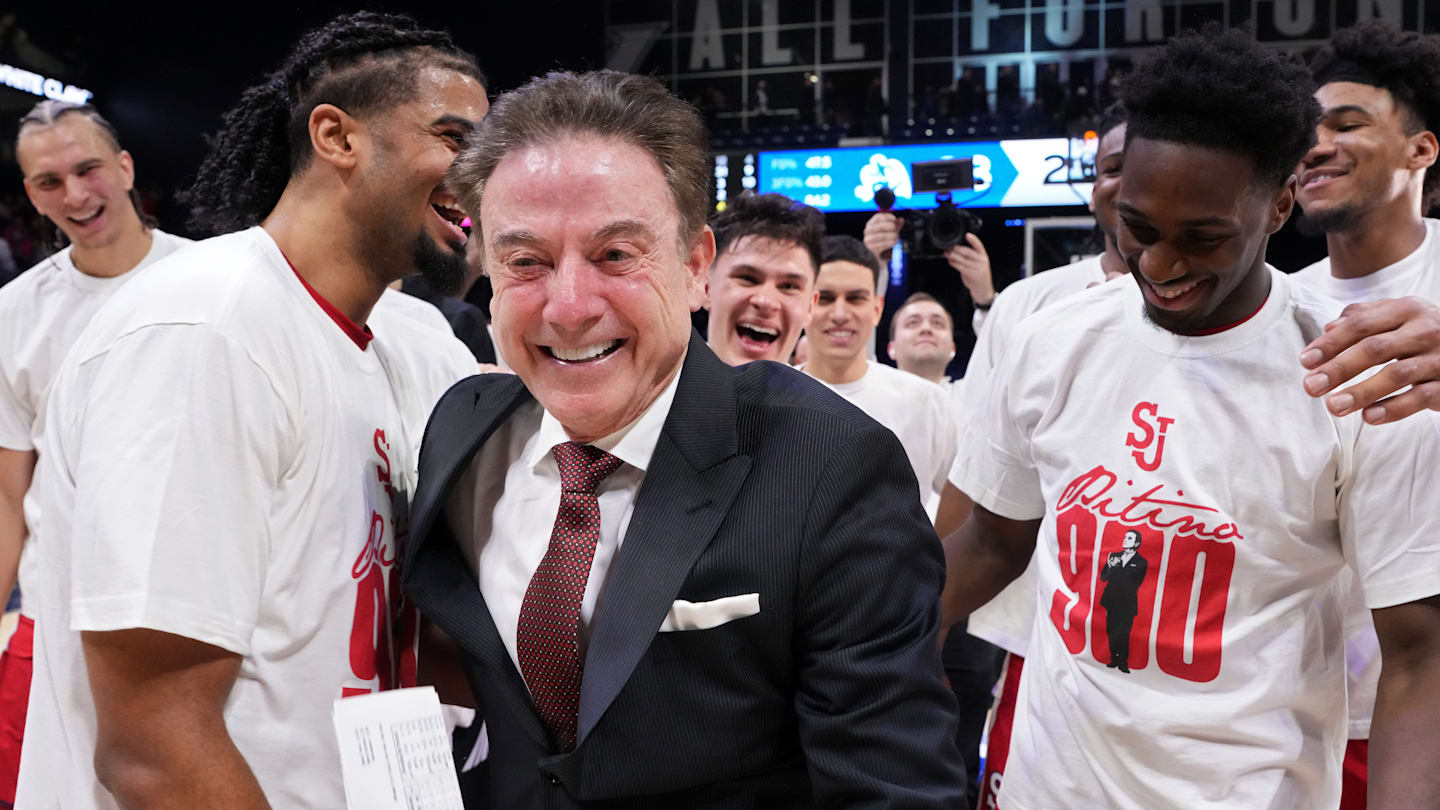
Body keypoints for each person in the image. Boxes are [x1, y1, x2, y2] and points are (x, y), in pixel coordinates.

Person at [404, 69, 966, 808]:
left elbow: (892, 788)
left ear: (696, 266)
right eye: (527, 261)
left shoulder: (830, 466)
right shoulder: (464, 429)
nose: (568, 307)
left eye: (614, 255)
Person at [942, 27, 1440, 808]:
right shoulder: (1050, 337)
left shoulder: (1357, 374)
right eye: (1137, 227)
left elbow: (1418, 656)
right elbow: (990, 541)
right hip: (1046, 787)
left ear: (1279, 206)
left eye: (1203, 238)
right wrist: (860, 647)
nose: (1160, 264)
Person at [17, 13, 487, 808]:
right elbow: (154, 745)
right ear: (337, 136)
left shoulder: (411, 343)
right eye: (452, 137)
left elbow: (397, 632)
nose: (481, 173)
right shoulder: (200, 334)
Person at [939, 100, 1130, 810]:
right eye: (1112, 167)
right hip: (1036, 635)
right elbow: (977, 483)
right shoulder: (1032, 307)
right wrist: (919, 624)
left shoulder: (1287, 321)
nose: (1128, 184)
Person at [0, 99, 192, 806]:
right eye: (49, 182)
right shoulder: (16, 313)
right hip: (55, 618)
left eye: (87, 170)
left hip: (186, 612)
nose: (76, 195)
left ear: (125, 167)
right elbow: (7, 492)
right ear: (29, 195)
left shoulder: (218, 281)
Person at [1291, 20, 1440, 809]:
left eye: (1346, 124)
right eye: (1307, 131)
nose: (1316, 144)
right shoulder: (1277, 310)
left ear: (1422, 149)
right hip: (1302, 714)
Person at [800, 235, 957, 519]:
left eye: (855, 298)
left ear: (876, 309)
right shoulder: (771, 398)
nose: (840, 313)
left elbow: (966, 506)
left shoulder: (929, 402)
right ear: (806, 304)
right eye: (826, 298)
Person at [704, 192, 823, 366]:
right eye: (747, 278)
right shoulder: (655, 391)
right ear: (706, 285)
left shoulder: (823, 394)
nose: (765, 301)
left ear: (810, 307)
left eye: (789, 286)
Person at [887, 292, 957, 386]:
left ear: (952, 348)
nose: (926, 328)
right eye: (913, 323)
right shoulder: (871, 399)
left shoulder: (972, 397)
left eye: (937, 323)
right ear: (892, 348)